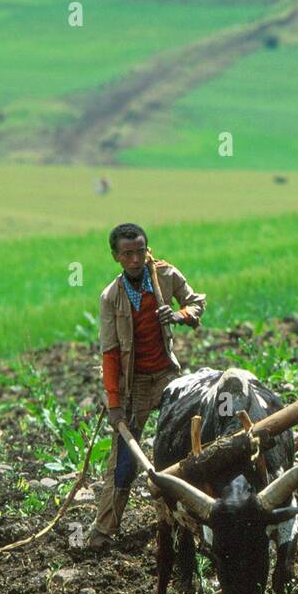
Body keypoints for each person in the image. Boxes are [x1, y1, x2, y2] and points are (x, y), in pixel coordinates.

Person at [86, 222, 206, 550]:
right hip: (135, 385)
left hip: (168, 375)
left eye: (140, 251)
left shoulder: (165, 276)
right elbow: (110, 354)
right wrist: (114, 403)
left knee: (186, 444)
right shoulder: (111, 297)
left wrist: (181, 315)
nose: (136, 259)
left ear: (146, 249)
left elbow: (196, 303)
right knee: (124, 461)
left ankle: (196, 515)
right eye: (128, 254)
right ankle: (104, 530)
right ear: (116, 257)